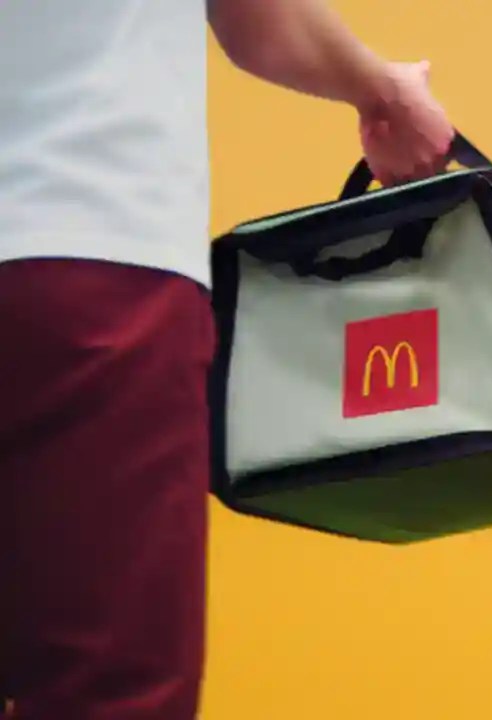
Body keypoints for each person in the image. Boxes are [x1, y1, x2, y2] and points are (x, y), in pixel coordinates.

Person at [0, 1, 455, 717]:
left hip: (80, 262)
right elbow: (261, 20)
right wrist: (385, 92)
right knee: (107, 690)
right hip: (92, 243)